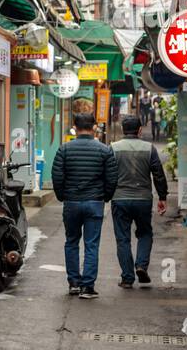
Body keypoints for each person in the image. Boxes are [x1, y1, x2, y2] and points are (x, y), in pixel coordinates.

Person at [51, 112, 116, 299]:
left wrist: (63, 196)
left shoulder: (64, 149)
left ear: (75, 127)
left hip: (71, 202)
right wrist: (105, 197)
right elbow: (111, 179)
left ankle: (73, 283)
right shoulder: (104, 150)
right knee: (91, 245)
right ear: (94, 127)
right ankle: (87, 287)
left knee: (71, 242)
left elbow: (57, 176)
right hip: (94, 202)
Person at [110, 115, 169, 289]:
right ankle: (141, 265)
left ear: (122, 130)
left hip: (120, 198)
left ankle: (127, 278)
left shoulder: (113, 148)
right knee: (145, 233)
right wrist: (163, 197)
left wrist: (107, 194)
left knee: (123, 239)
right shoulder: (149, 148)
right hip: (143, 199)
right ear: (140, 130)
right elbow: (158, 174)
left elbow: (107, 173)